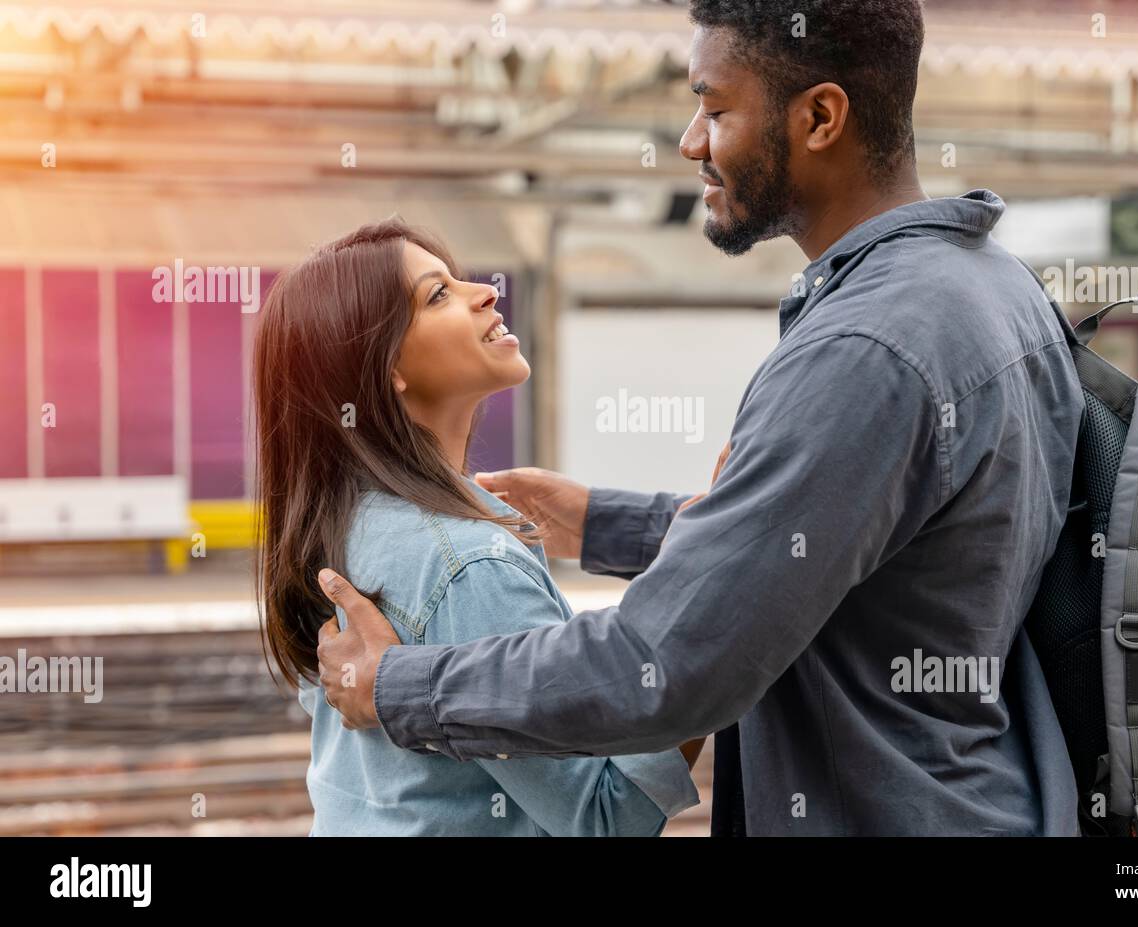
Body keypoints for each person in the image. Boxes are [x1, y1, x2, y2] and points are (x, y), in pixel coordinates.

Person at [315, 0, 1086, 835]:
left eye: (716, 109)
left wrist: (396, 687)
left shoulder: (865, 349)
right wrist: (606, 523)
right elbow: (843, 543)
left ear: (820, 117)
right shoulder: (994, 287)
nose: (690, 141)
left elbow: (667, 665)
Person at [253, 218, 701, 836]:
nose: (486, 291)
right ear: (387, 370)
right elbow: (602, 817)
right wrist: (713, 624)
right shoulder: (470, 563)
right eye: (438, 295)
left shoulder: (337, 528)